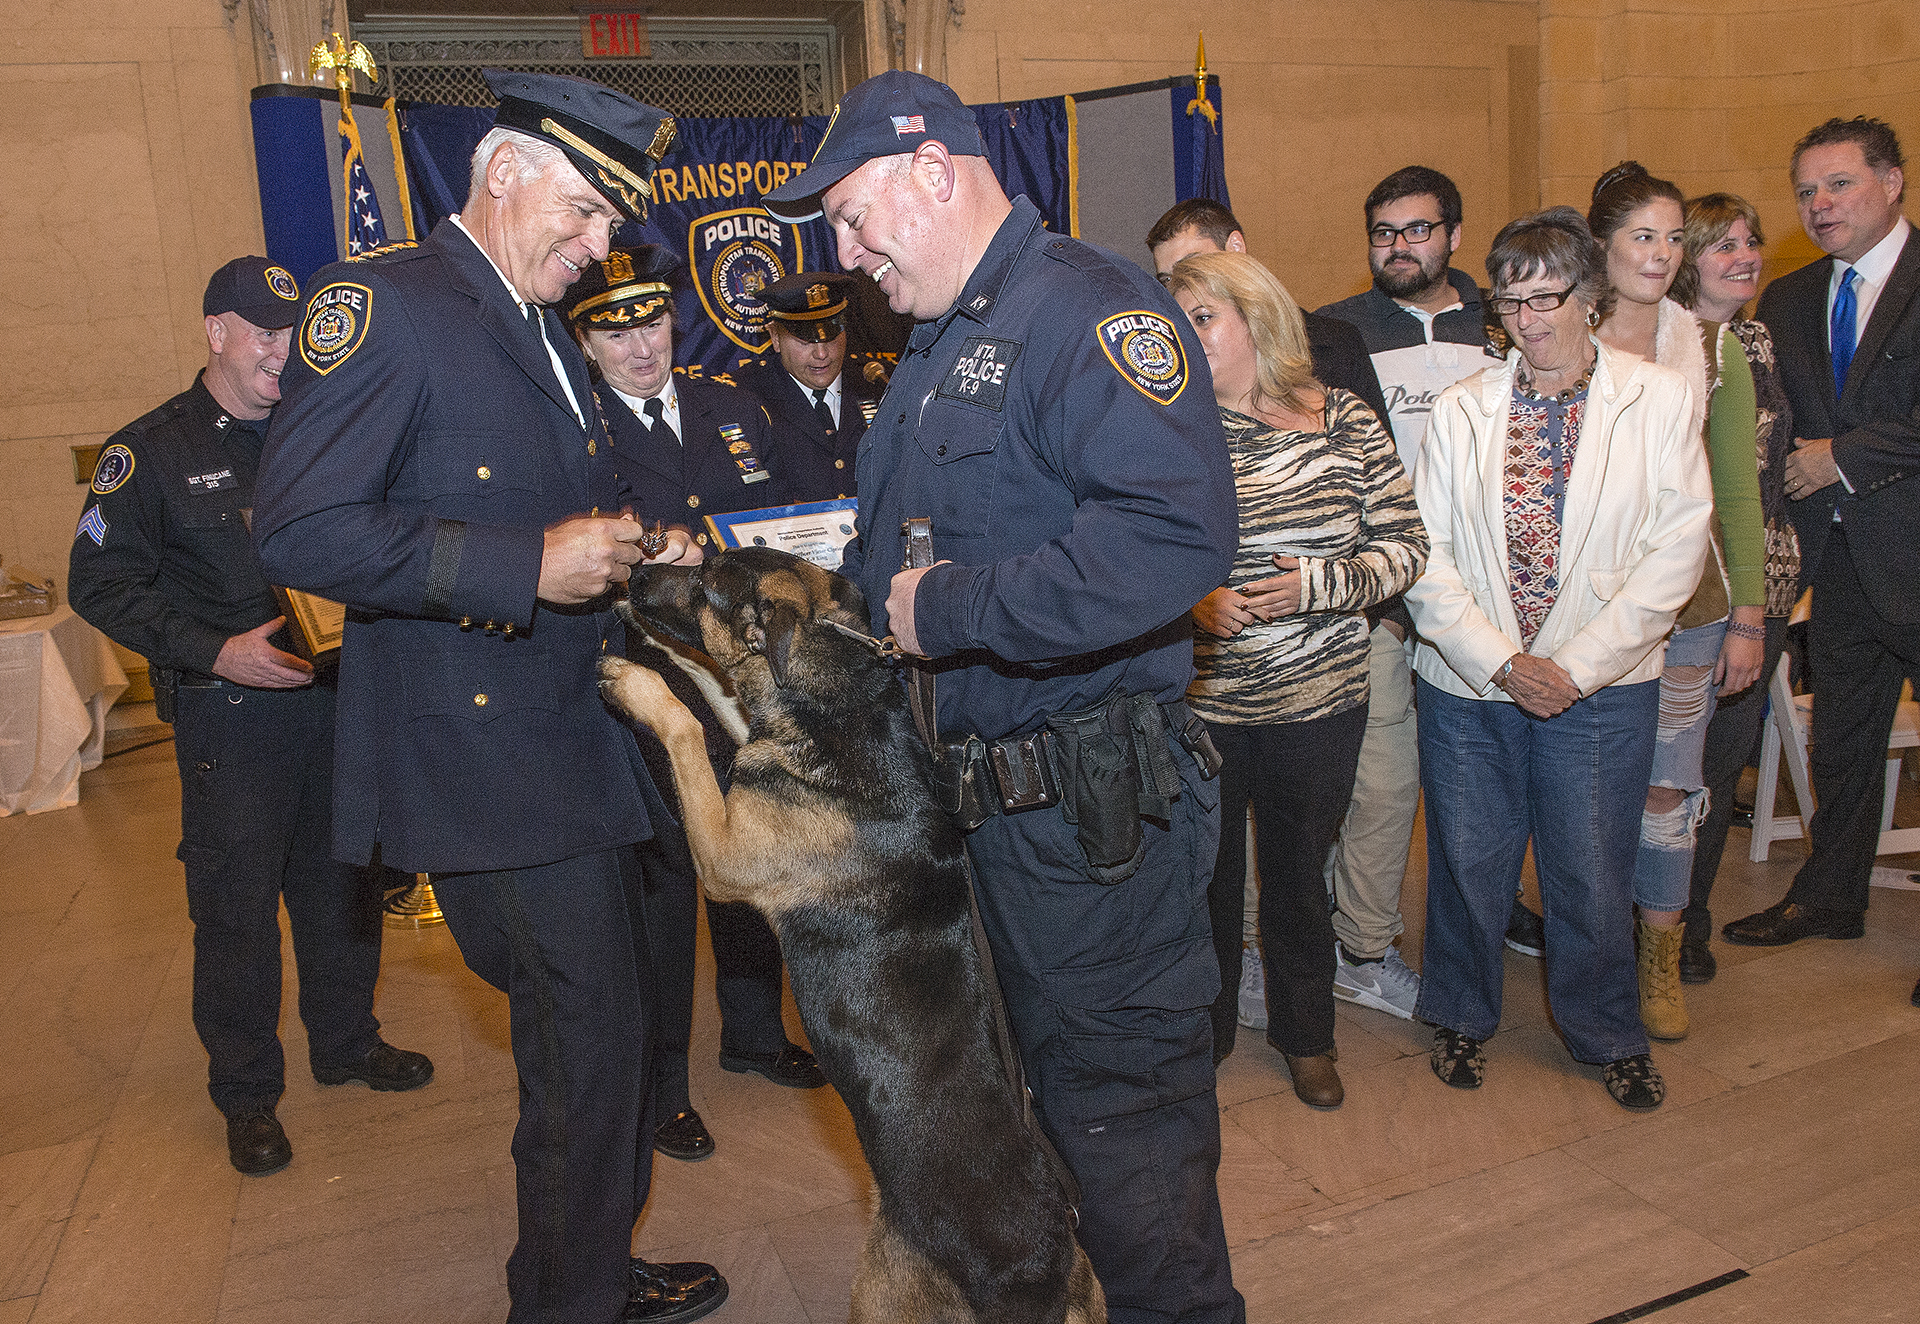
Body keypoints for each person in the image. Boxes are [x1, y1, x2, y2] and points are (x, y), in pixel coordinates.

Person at [762, 69, 1245, 1324]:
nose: (854, 256)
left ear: (936, 169)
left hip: (1094, 832)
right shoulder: (939, 341)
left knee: (1129, 1153)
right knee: (1020, 1145)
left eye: (862, 219)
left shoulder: (1085, 311)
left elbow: (1172, 539)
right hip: (978, 824)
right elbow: (898, 556)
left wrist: (953, 609)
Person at [251, 70, 727, 1324]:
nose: (592, 249)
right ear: (505, 174)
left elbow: (518, 495)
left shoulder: (527, 316)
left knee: (616, 1044)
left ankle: (587, 1269)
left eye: (606, 230)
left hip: (578, 741)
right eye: (577, 216)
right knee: (584, 1054)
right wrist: (526, 567)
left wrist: (625, 545)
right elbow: (299, 530)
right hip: (483, 766)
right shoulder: (389, 305)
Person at [68, 257, 433, 1178]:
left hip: (338, 708)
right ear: (216, 331)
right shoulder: (150, 450)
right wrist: (214, 648)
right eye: (264, 332)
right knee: (235, 910)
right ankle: (246, 1094)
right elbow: (98, 583)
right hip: (232, 720)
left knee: (345, 885)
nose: (282, 351)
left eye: (292, 331)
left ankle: (346, 1043)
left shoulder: (322, 429)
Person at [1404, 206, 1712, 1111]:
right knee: (1468, 858)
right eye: (1512, 302)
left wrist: (1573, 667)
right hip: (1469, 683)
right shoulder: (1463, 409)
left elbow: (1676, 554)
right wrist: (1502, 662)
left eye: (1548, 298)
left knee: (1587, 867)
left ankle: (1606, 1032)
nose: (1529, 320)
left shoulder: (1658, 399)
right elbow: (1424, 554)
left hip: (1601, 687)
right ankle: (1460, 1012)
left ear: (1589, 296)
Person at [563, 245, 826, 1168]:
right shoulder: (576, 422)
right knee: (667, 886)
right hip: (649, 684)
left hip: (748, 678)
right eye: (613, 326)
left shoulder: (726, 405)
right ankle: (663, 1084)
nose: (640, 344)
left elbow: (778, 518)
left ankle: (754, 1032)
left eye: (652, 320)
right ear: (583, 337)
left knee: (753, 848)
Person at [1167, 251, 1427, 1107]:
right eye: (1183, 318)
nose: (1189, 334)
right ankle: (1201, 1034)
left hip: (1322, 700)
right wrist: (1195, 596)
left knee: (1297, 878)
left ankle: (1307, 1035)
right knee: (1206, 880)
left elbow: (1404, 547)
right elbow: (1135, 551)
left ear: (1257, 317)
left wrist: (1315, 586)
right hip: (1207, 704)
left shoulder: (1345, 416)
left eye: (1205, 316)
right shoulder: (1172, 426)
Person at [1315, 165, 1510, 1018]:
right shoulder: (1336, 330)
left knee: (1483, 774)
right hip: (1387, 589)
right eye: (1384, 233)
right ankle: (1360, 939)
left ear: (1454, 235)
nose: (1400, 247)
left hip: (1493, 582)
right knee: (1378, 780)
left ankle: (1488, 919)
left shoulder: (1502, 322)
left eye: (1418, 230)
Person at [1723, 116, 1920, 958]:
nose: (1819, 204)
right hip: (1833, 566)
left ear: (1893, 182)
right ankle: (1830, 896)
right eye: (1806, 190)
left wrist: (1842, 456)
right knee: (1841, 740)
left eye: (1839, 184)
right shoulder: (1795, 298)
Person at [1589, 161, 1764, 1042]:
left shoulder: (1708, 345)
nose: (1659, 254)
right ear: (1603, 248)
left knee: (1667, 793)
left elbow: (1735, 494)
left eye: (1670, 237)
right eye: (1641, 236)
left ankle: (1659, 957)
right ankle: (1592, 949)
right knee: (1586, 793)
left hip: (1689, 614)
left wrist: (1751, 615)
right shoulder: (1556, 336)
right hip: (1582, 618)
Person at [1671, 192, 1801, 984]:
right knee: (1666, 771)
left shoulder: (1762, 341)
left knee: (1718, 770)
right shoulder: (1669, 345)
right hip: (1689, 592)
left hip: (1766, 583)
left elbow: (1761, 481)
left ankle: (1686, 919)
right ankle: (1639, 913)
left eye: (1751, 241)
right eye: (1723, 243)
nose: (1744, 255)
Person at [1147, 197, 1392, 427]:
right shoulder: (1168, 369)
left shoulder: (1335, 343)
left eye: (1193, 264)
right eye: (1167, 279)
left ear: (1235, 247)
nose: (1181, 282)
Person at [736, 270, 880, 500]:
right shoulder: (746, 396)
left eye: (831, 338)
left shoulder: (876, 383)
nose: (822, 354)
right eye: (806, 341)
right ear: (775, 337)